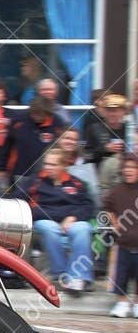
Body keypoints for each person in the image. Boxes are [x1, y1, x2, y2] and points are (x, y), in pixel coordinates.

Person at [21, 148, 95, 292]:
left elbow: (88, 206)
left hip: (72, 221)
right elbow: (18, 202)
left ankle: (77, 277)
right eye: (47, 164)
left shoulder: (76, 183)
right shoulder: (35, 181)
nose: (48, 167)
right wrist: (59, 216)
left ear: (63, 166)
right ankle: (60, 274)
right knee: (50, 228)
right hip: (43, 221)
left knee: (83, 228)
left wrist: (73, 217)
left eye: (53, 165)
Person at [102, 154, 138, 317]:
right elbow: (107, 205)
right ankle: (122, 303)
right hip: (123, 243)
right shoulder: (117, 190)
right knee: (121, 275)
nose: (129, 171)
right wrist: (115, 222)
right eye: (127, 167)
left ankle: (136, 304)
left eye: (133, 167)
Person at [5, 94, 66, 185]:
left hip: (45, 175)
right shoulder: (19, 121)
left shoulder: (57, 124)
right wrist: (2, 168)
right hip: (19, 172)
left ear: (47, 114)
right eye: (33, 113)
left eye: (39, 115)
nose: (35, 117)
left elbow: (61, 149)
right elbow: (7, 144)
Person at [82, 93, 128, 189]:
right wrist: (104, 148)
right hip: (100, 178)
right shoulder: (95, 128)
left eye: (115, 111)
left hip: (125, 177)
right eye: (109, 110)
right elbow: (87, 155)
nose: (112, 114)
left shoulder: (129, 130)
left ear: (123, 112)